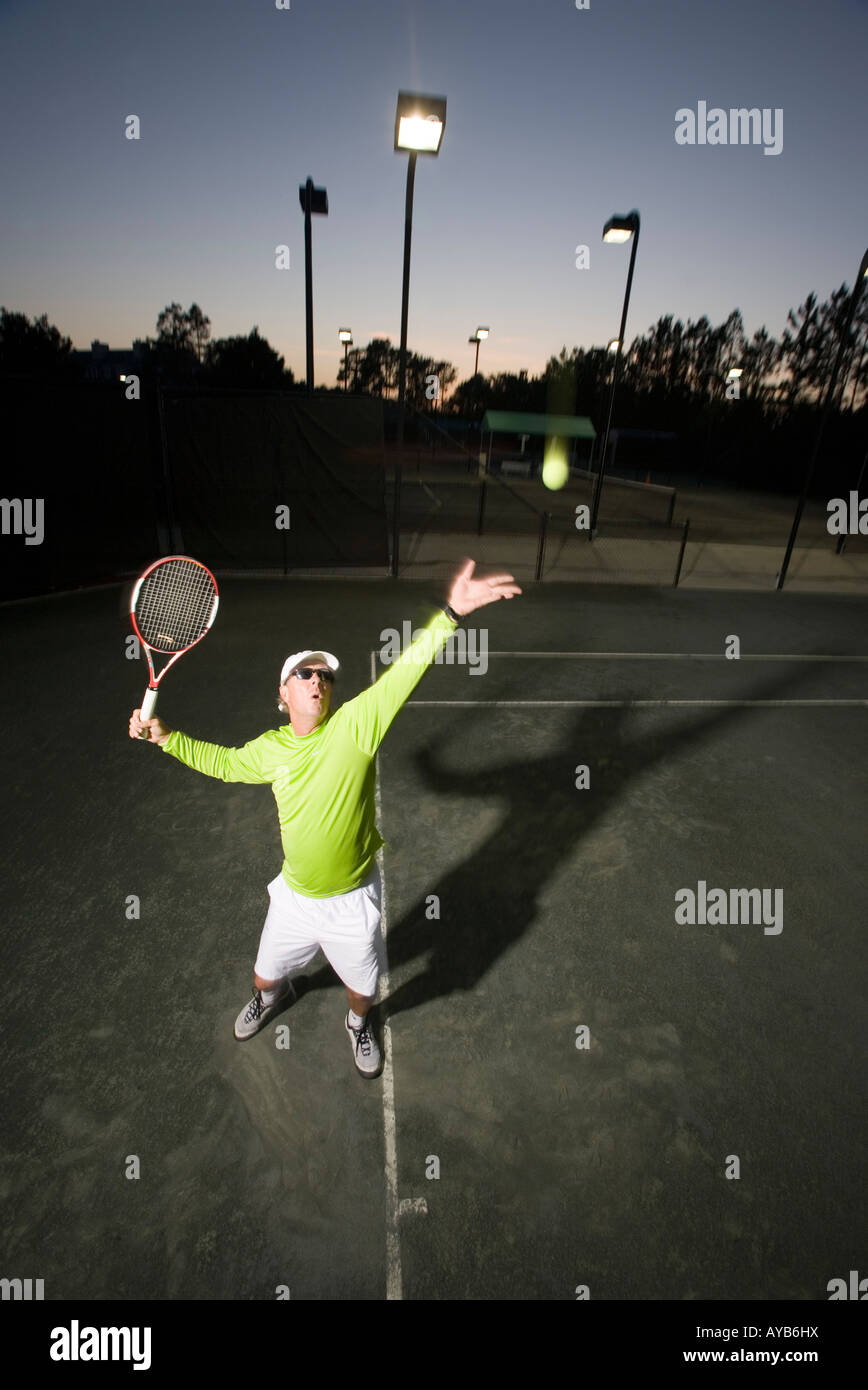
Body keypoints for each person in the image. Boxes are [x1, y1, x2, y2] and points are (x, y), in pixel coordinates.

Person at [128, 559, 521, 1078]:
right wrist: (166, 738)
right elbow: (222, 763)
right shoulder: (269, 750)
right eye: (305, 674)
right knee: (264, 978)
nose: (318, 680)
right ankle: (271, 999)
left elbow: (407, 670)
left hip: (352, 900)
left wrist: (451, 614)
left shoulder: (357, 725)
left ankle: (358, 1026)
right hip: (295, 898)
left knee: (363, 990)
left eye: (325, 675)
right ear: (284, 693)